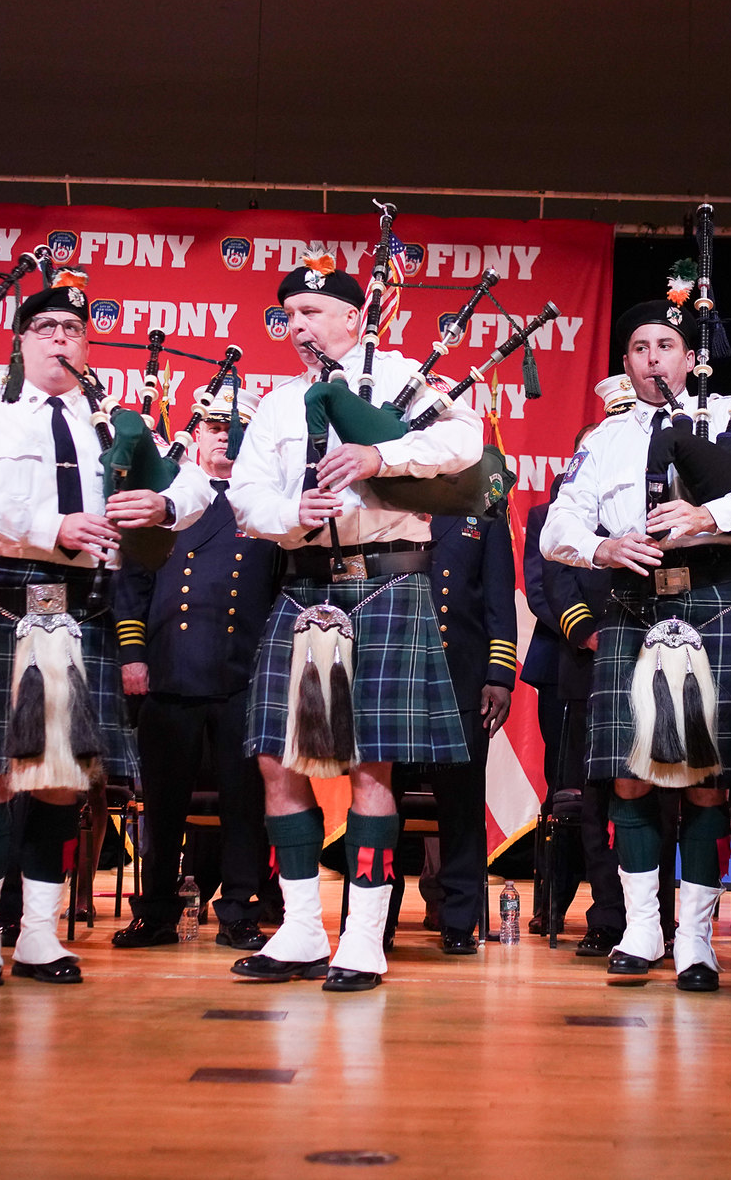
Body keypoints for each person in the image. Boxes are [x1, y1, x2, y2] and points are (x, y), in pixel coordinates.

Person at [0, 275, 211, 989]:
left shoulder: (112, 419)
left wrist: (163, 504)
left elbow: (193, 483)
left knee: (61, 780)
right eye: (47, 327)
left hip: (81, 603)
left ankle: (39, 936)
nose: (61, 339)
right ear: (20, 340)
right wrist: (48, 524)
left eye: (74, 330)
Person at [226, 263, 482, 993]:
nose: (298, 326)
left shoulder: (406, 380)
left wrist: (380, 453)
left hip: (387, 581)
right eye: (289, 315)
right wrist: (289, 513)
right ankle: (303, 928)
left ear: (355, 317)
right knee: (276, 760)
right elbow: (245, 496)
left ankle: (364, 938)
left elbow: (466, 443)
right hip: (304, 583)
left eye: (311, 311)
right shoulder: (278, 404)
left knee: (373, 766)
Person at [541, 287, 731, 992]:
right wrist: (601, 547)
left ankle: (697, 941)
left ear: (689, 358)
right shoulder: (604, 438)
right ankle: (643, 928)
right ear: (626, 363)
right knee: (629, 771)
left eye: (666, 347)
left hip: (716, 597)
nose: (654, 359)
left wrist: (711, 513)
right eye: (641, 348)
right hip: (634, 600)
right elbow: (558, 524)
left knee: (707, 780)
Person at [109, 381, 283, 952]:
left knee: (244, 805)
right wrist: (133, 655)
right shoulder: (167, 497)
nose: (225, 437)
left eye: (236, 428)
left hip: (244, 675)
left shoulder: (266, 502)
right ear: (196, 433)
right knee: (163, 806)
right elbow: (132, 583)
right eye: (214, 426)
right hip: (171, 669)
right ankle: (156, 912)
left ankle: (239, 910)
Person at [523, 467, 623, 953]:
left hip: (633, 654)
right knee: (570, 792)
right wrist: (582, 631)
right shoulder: (553, 513)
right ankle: (556, 903)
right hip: (571, 663)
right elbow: (543, 588)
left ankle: (641, 912)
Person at [411, 509, 518, 953]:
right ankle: (376, 919)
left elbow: (499, 601)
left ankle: (459, 921)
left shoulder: (484, 518)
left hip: (462, 679)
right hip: (396, 677)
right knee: (380, 801)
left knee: (462, 808)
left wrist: (500, 675)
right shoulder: (390, 502)